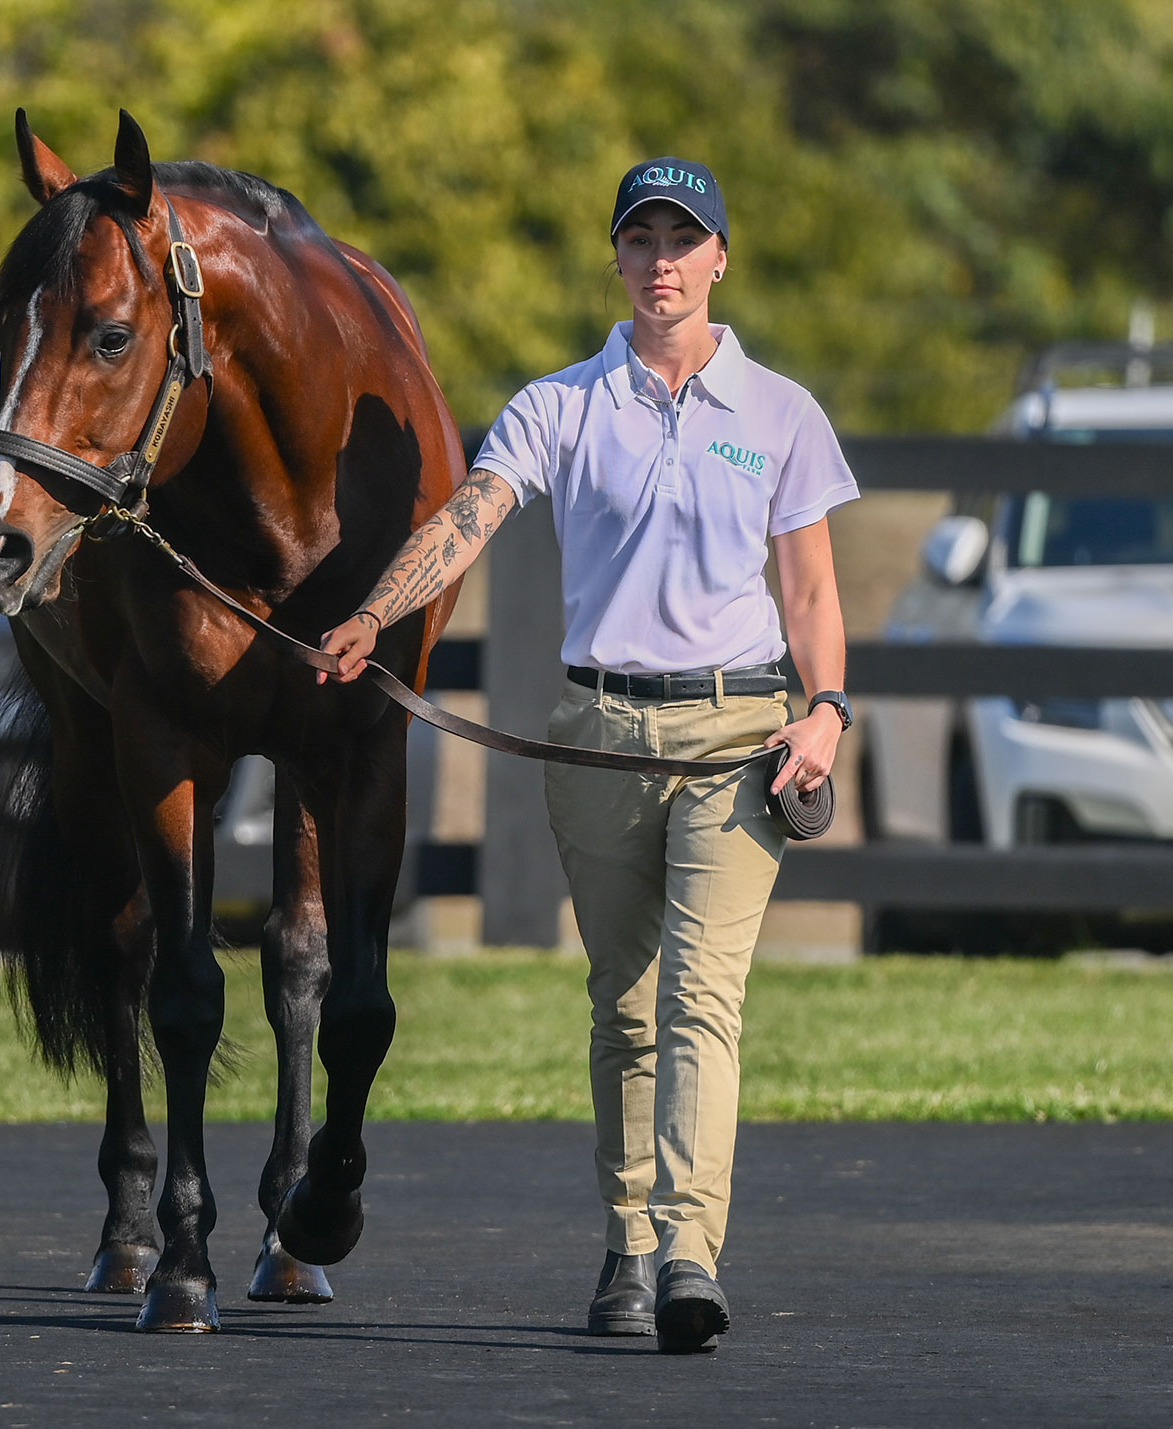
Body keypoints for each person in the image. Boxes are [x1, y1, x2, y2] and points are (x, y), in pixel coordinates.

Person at [319, 156, 856, 1354]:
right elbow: (468, 518)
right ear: (615, 259)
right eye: (639, 238)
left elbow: (812, 590)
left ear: (721, 258)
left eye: (682, 238)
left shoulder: (779, 414)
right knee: (620, 1004)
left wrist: (825, 710)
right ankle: (623, 1237)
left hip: (738, 735)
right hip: (596, 733)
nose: (660, 259)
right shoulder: (560, 403)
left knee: (698, 1000)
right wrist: (372, 616)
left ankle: (687, 1254)